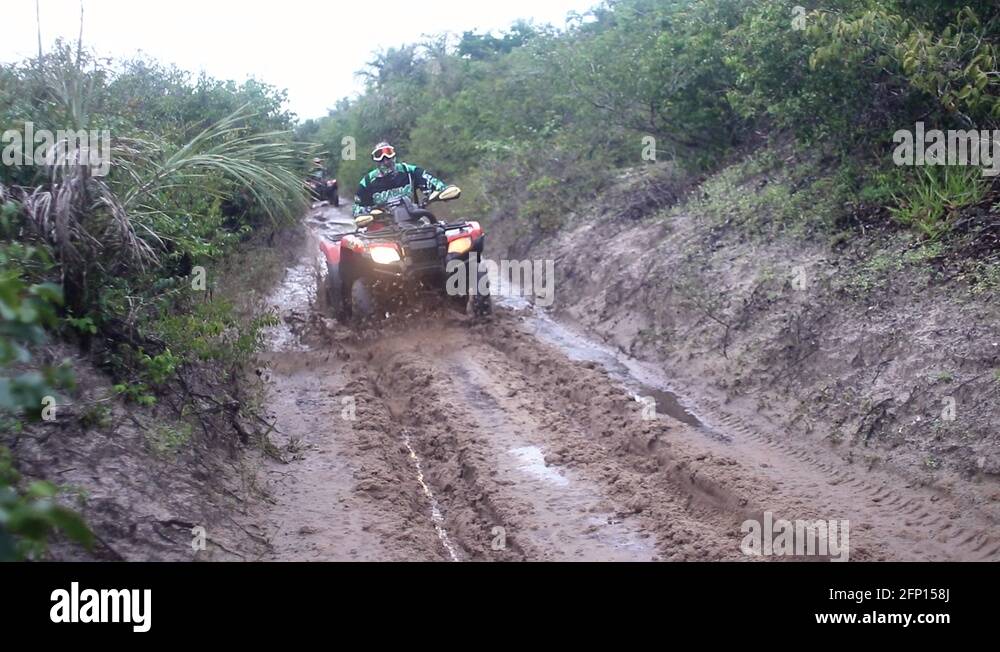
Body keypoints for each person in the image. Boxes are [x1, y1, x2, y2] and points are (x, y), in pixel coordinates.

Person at [352, 142, 452, 217]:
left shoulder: (410, 171)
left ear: (394, 156)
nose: (386, 161)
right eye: (380, 157)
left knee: (438, 234)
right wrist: (370, 212)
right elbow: (356, 208)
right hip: (381, 228)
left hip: (414, 219)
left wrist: (443, 192)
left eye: (388, 154)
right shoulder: (367, 181)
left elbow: (437, 186)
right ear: (375, 160)